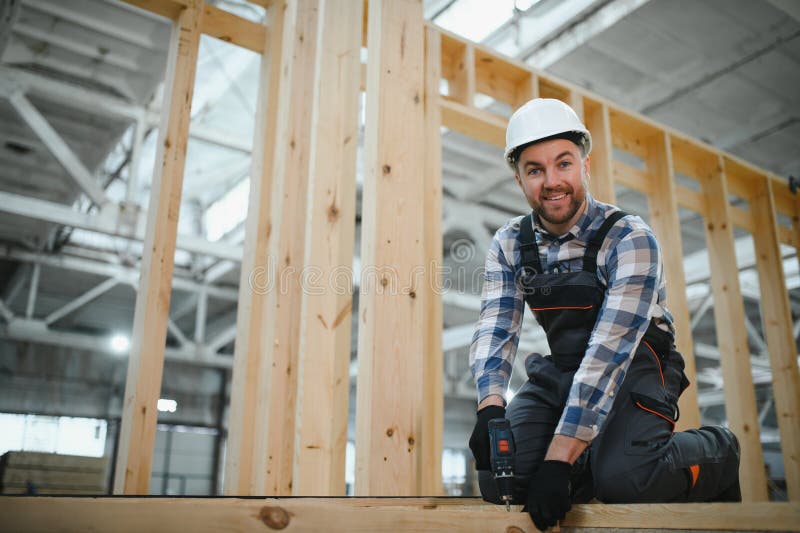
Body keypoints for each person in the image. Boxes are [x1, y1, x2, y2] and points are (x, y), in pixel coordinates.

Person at [468, 98, 741, 530]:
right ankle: (590, 461)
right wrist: (490, 406)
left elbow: (608, 355)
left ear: (585, 165)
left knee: (627, 480)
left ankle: (717, 451)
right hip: (564, 367)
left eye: (564, 163)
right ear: (519, 178)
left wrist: (559, 459)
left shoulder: (629, 238)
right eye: (535, 170)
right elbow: (496, 326)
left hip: (636, 364)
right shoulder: (509, 243)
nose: (552, 182)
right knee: (501, 477)